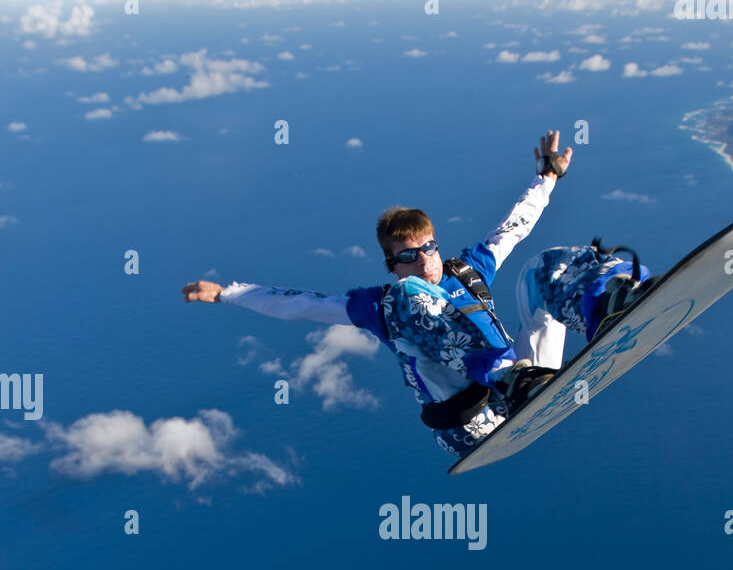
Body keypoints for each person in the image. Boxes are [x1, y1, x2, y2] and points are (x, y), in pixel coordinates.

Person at [182, 129, 653, 457]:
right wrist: (227, 293)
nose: (424, 259)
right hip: (470, 420)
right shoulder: (381, 305)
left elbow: (515, 225)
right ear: (391, 263)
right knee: (406, 299)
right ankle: (514, 381)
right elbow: (300, 305)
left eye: (428, 247)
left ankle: (608, 304)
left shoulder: (465, 269)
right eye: (409, 254)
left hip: (525, 381)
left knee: (542, 266)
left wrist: (548, 175)